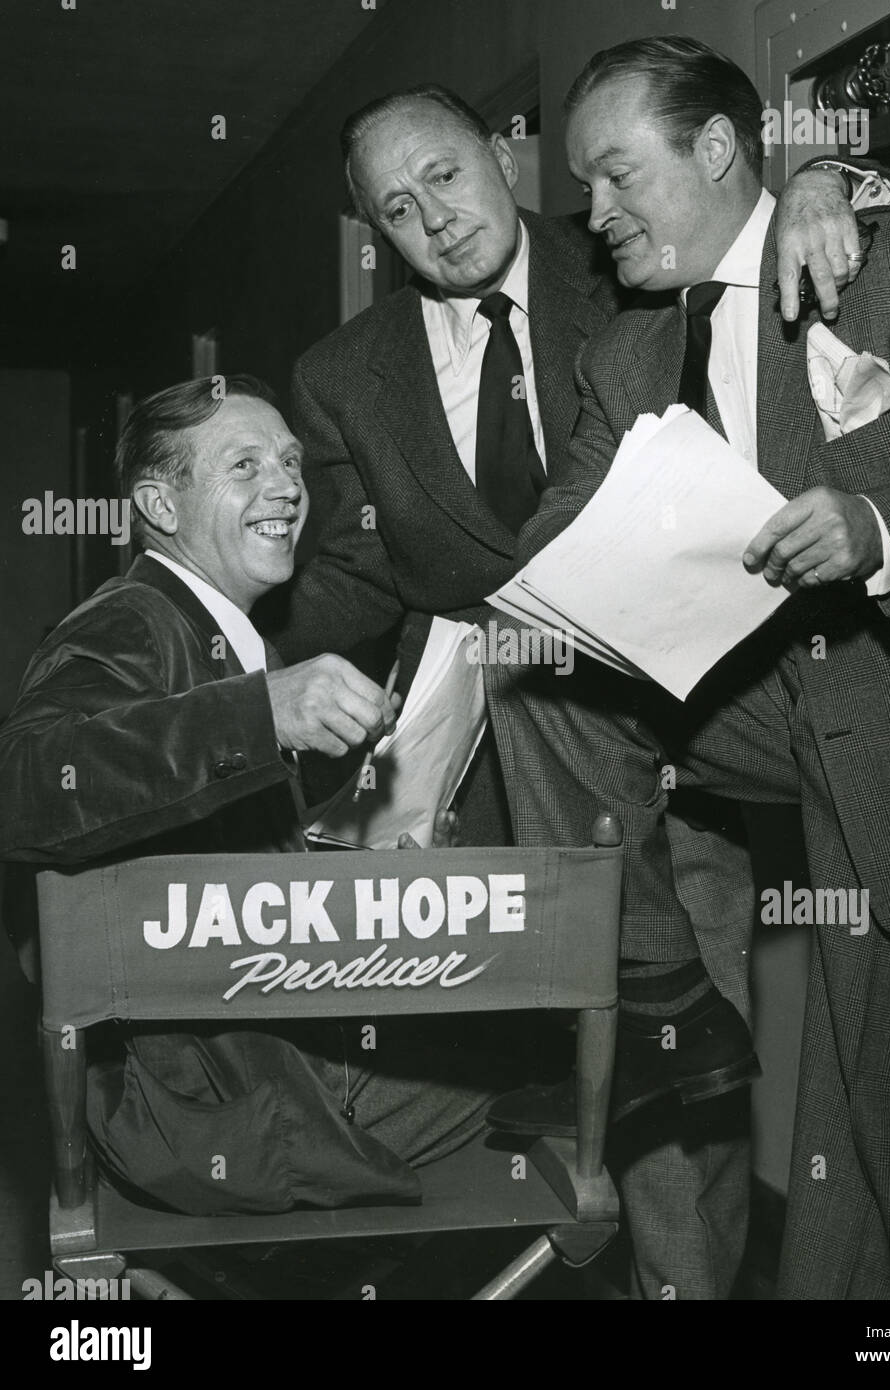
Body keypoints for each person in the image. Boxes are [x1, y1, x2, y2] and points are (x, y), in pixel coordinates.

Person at [260, 80, 890, 1298]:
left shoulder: (623, 248)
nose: (437, 222)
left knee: (672, 1079)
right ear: (375, 236)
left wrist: (834, 181)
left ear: (503, 156)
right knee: (483, 1091)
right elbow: (349, 572)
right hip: (470, 781)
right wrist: (223, 663)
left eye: (447, 177)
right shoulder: (342, 372)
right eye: (397, 211)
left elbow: (763, 209)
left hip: (666, 735)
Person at [482, 34, 890, 1300]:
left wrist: (881, 528)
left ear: (721, 150)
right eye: (586, 190)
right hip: (768, 718)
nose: (596, 217)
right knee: (527, 668)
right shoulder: (621, 355)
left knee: (880, 1181)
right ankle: (658, 1000)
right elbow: (549, 534)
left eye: (617, 177)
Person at [0, 376, 509, 1218]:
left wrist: (372, 840)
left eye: (290, 463)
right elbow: (26, 787)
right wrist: (259, 711)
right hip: (203, 1100)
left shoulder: (228, 636)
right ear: (161, 505)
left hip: (239, 1062)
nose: (286, 488)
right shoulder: (132, 619)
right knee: (575, 1061)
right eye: (245, 465)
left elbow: (198, 850)